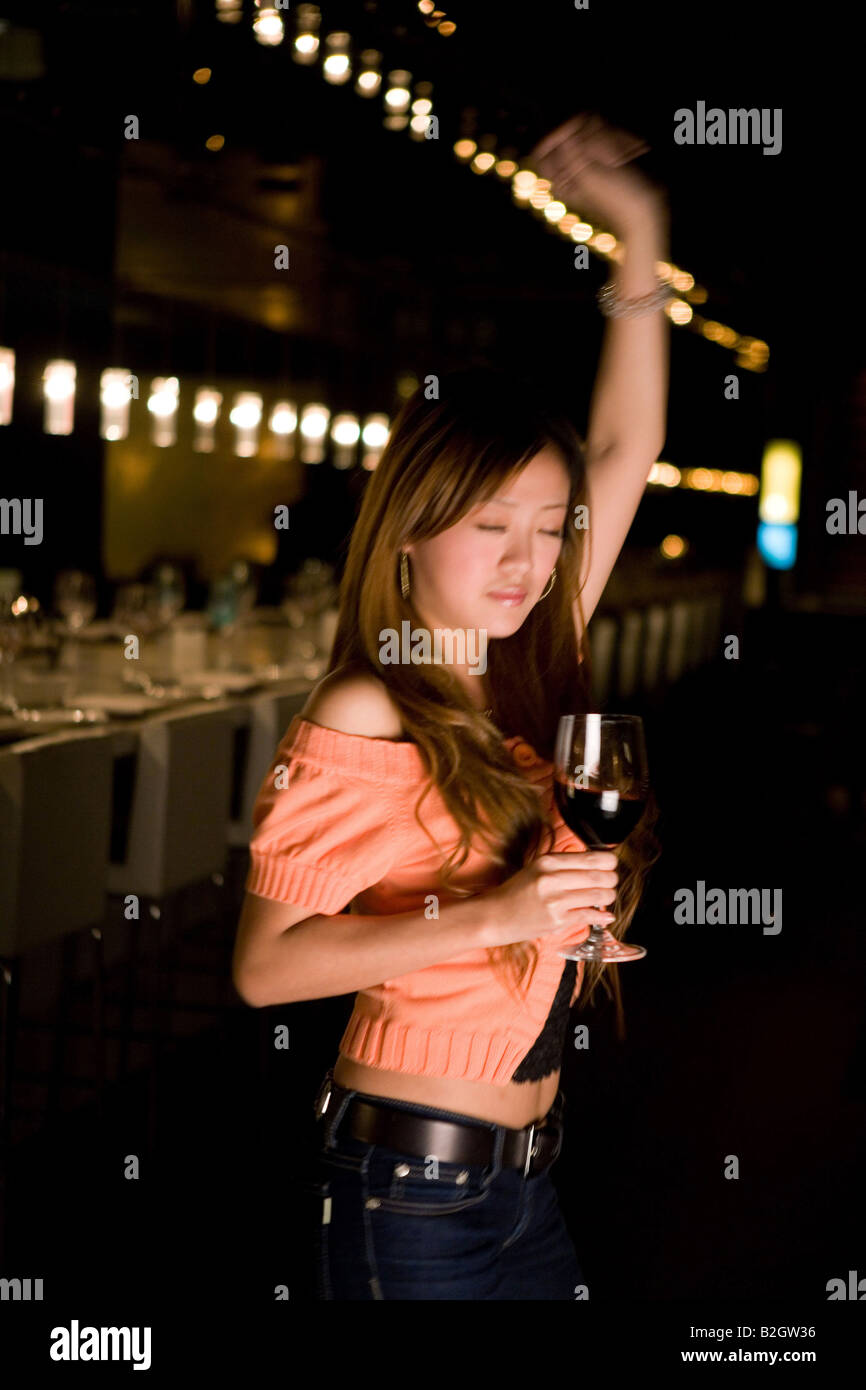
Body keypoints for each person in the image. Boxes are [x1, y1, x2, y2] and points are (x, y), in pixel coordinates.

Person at [232, 113, 670, 1300]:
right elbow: (265, 969)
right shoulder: (372, 704)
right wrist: (504, 913)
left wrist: (637, 234)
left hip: (524, 1181)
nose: (528, 560)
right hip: (407, 1188)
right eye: (489, 526)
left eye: (548, 529)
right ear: (410, 531)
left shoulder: (522, 662)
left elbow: (625, 444)